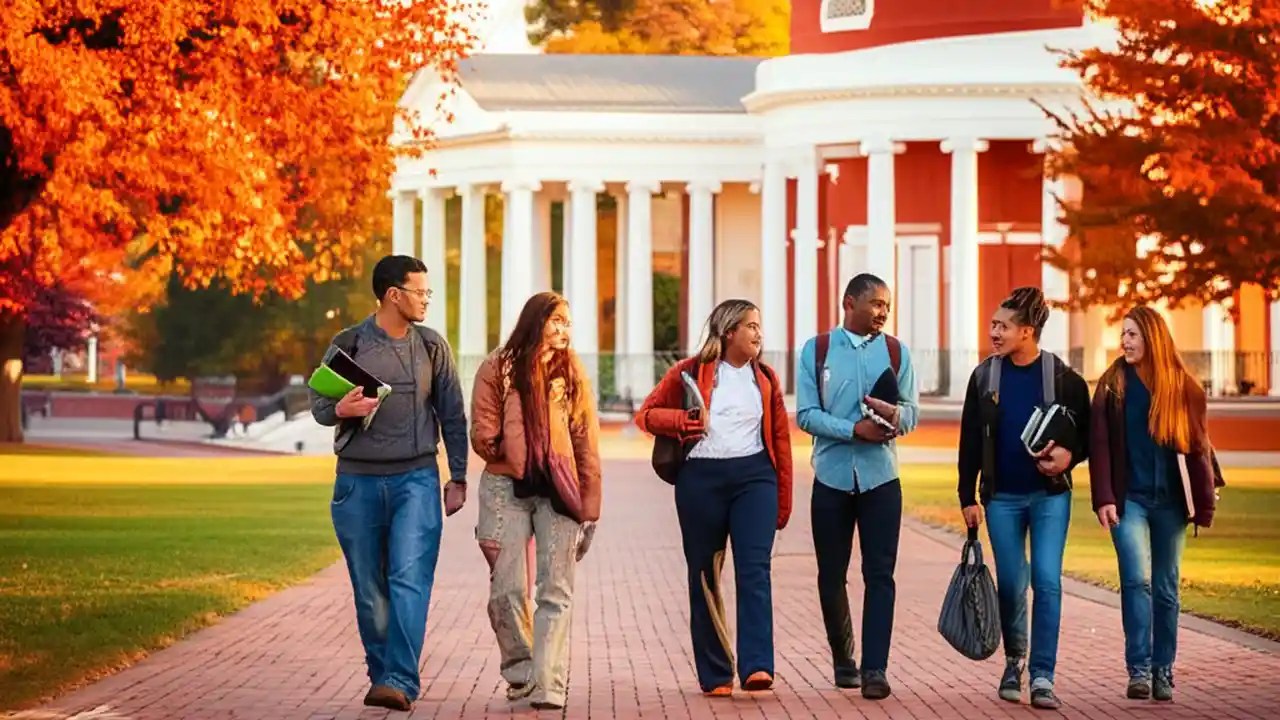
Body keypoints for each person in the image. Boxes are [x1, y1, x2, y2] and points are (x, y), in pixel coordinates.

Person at [309, 254, 469, 712]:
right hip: (356, 484)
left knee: (408, 578)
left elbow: (452, 414)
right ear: (393, 295)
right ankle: (383, 675)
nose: (426, 300)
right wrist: (340, 409)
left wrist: (458, 475)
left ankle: (399, 679)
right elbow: (319, 404)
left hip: (415, 480)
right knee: (369, 589)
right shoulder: (350, 343)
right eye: (420, 292)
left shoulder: (431, 347)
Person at [634, 299, 793, 698]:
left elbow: (781, 442)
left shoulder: (766, 378)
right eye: (751, 326)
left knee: (755, 569)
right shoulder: (688, 372)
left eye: (759, 326)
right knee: (704, 574)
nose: (758, 334)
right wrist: (683, 420)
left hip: (755, 478)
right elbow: (646, 414)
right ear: (729, 332)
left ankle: (757, 665)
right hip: (701, 479)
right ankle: (716, 672)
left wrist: (783, 500)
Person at [956, 287, 1090, 710]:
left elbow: (1087, 437)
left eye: (1003, 327)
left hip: (1050, 498)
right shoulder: (984, 377)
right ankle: (1015, 662)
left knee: (1046, 581)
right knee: (1013, 584)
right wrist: (966, 495)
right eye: (993, 324)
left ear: (1027, 332)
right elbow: (969, 440)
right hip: (1002, 499)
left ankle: (1043, 675)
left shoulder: (1064, 379)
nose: (994, 332)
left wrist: (1069, 457)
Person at [469, 291, 602, 711]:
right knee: (506, 589)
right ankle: (522, 668)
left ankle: (549, 684)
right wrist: (512, 451)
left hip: (559, 487)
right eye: (556, 320)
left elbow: (585, 439)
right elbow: (482, 431)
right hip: (504, 486)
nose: (564, 329)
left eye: (568, 322)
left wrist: (590, 508)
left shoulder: (572, 372)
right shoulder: (498, 366)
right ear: (535, 321)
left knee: (555, 590)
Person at [795, 273, 919, 700]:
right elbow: (806, 415)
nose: (884, 312)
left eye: (888, 305)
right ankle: (844, 659)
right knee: (831, 574)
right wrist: (852, 430)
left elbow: (912, 413)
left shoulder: (897, 352)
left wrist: (895, 417)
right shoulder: (817, 350)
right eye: (876, 303)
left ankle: (875, 669)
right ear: (850, 303)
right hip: (830, 479)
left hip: (882, 480)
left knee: (880, 574)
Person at [1089, 306, 1217, 703]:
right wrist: (1104, 498)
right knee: (1135, 580)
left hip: (1171, 505)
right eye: (1123, 334)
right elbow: (1099, 445)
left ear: (1152, 338)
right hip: (1129, 501)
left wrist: (1204, 503)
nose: (1125, 341)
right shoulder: (1113, 385)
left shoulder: (1183, 388)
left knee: (1165, 588)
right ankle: (1139, 669)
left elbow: (1199, 448)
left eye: (1133, 334)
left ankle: (1164, 669)